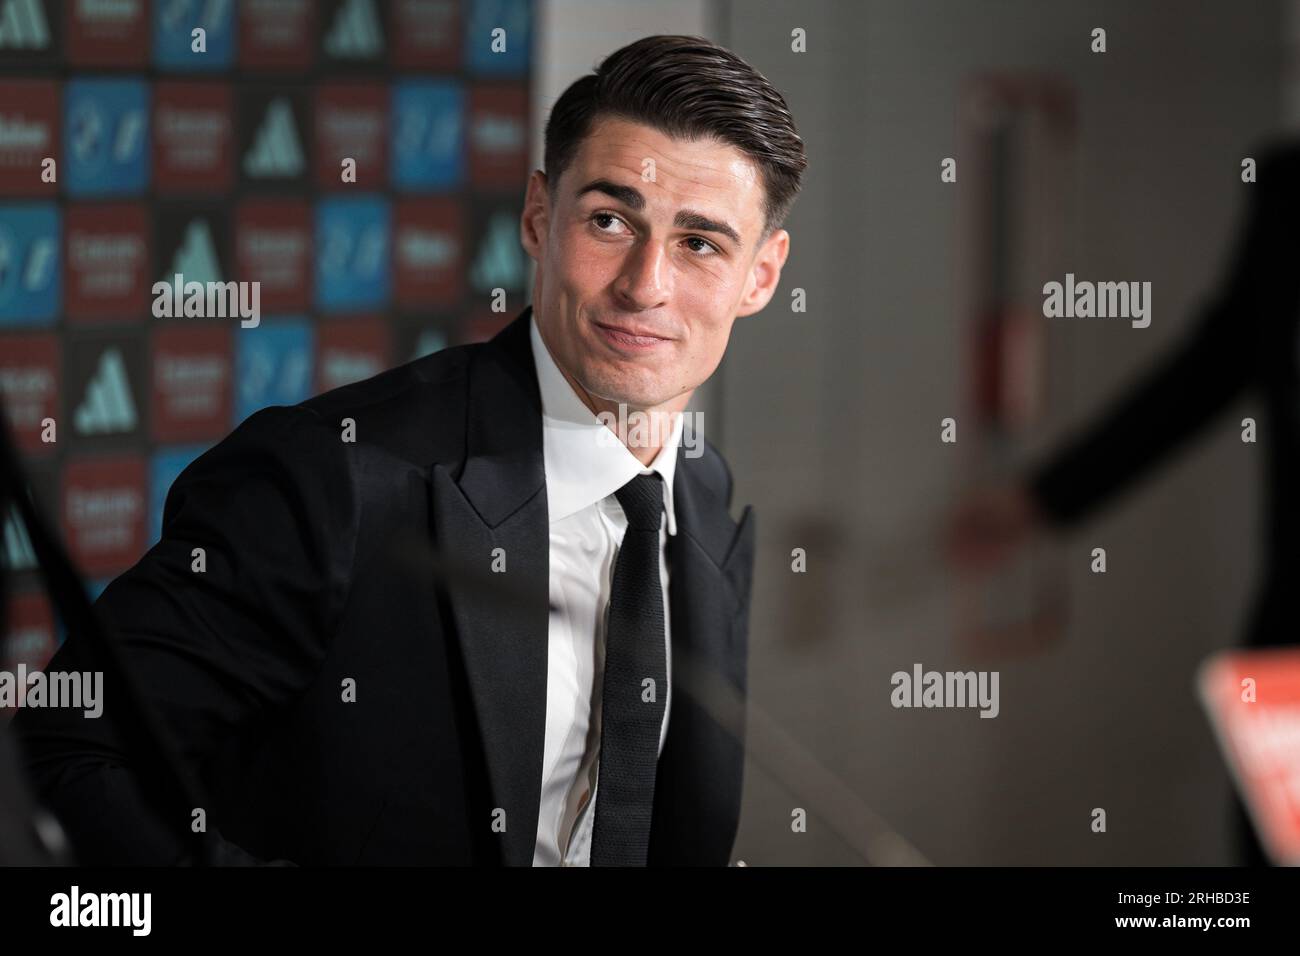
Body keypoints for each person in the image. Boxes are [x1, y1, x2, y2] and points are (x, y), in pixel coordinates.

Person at [11, 34, 805, 867]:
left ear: (761, 276)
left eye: (700, 244)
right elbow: (59, 758)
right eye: (609, 220)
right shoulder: (333, 479)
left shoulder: (703, 499)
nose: (646, 285)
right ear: (539, 216)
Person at [945, 139, 1300, 866]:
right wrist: (1044, 498)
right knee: (1273, 846)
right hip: (1294, 619)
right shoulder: (1290, 186)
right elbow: (1219, 362)